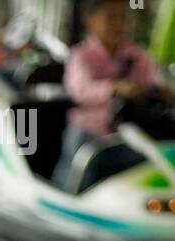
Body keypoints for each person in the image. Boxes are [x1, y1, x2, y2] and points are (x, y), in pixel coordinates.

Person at [53, 0, 168, 189]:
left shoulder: (137, 55)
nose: (119, 24)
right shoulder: (81, 55)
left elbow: (151, 84)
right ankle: (67, 192)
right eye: (111, 18)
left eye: (123, 18)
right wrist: (114, 88)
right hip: (90, 130)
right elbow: (80, 90)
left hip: (129, 133)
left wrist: (160, 92)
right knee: (80, 149)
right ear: (90, 20)